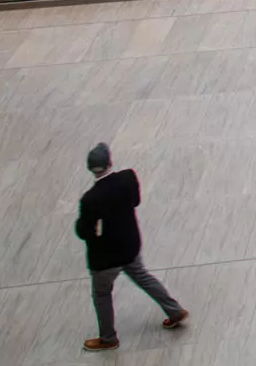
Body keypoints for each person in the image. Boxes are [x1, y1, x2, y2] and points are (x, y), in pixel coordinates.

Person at [75, 142, 186, 352]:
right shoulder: (127, 178)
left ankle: (108, 338)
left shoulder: (90, 199)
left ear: (91, 169)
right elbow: (135, 201)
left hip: (105, 258)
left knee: (102, 294)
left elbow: (84, 232)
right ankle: (174, 310)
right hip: (129, 247)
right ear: (110, 162)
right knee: (143, 277)